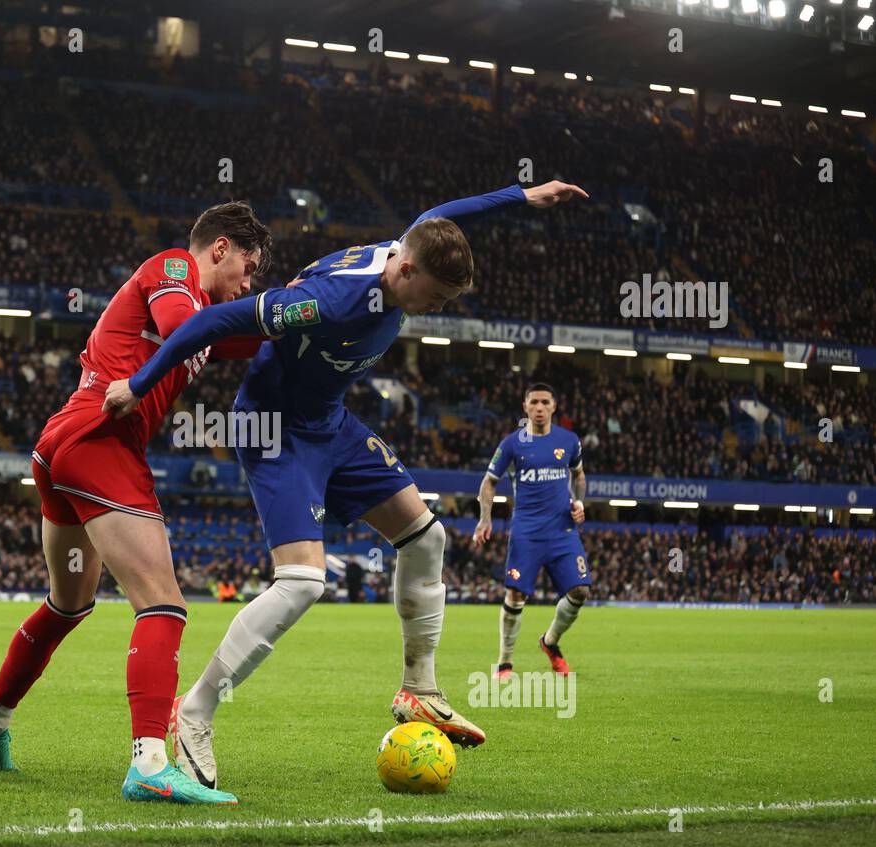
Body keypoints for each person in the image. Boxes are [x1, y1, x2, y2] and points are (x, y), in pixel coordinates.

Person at [106, 180, 587, 790]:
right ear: (405, 269)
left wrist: (525, 196)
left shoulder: (410, 248)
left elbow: (446, 211)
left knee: (426, 540)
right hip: (274, 427)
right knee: (304, 582)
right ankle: (195, 712)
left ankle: (419, 690)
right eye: (434, 296)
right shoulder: (328, 301)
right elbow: (218, 320)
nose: (434, 308)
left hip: (329, 424)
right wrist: (141, 383)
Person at [0, 201, 271, 806]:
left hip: (64, 448)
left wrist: (306, 314)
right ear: (221, 249)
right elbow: (185, 327)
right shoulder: (175, 269)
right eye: (248, 268)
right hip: (100, 440)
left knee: (69, 603)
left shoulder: (207, 311)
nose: (248, 283)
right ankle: (150, 762)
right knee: (164, 605)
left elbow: (248, 334)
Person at [474, 383, 591, 677]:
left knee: (580, 591)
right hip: (526, 532)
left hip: (563, 531)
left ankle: (550, 643)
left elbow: (579, 476)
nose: (539, 408)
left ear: (554, 406)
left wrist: (579, 502)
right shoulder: (512, 444)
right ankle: (504, 662)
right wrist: (485, 518)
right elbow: (488, 482)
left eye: (545, 402)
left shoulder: (570, 441)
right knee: (515, 596)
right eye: (534, 402)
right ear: (525, 406)